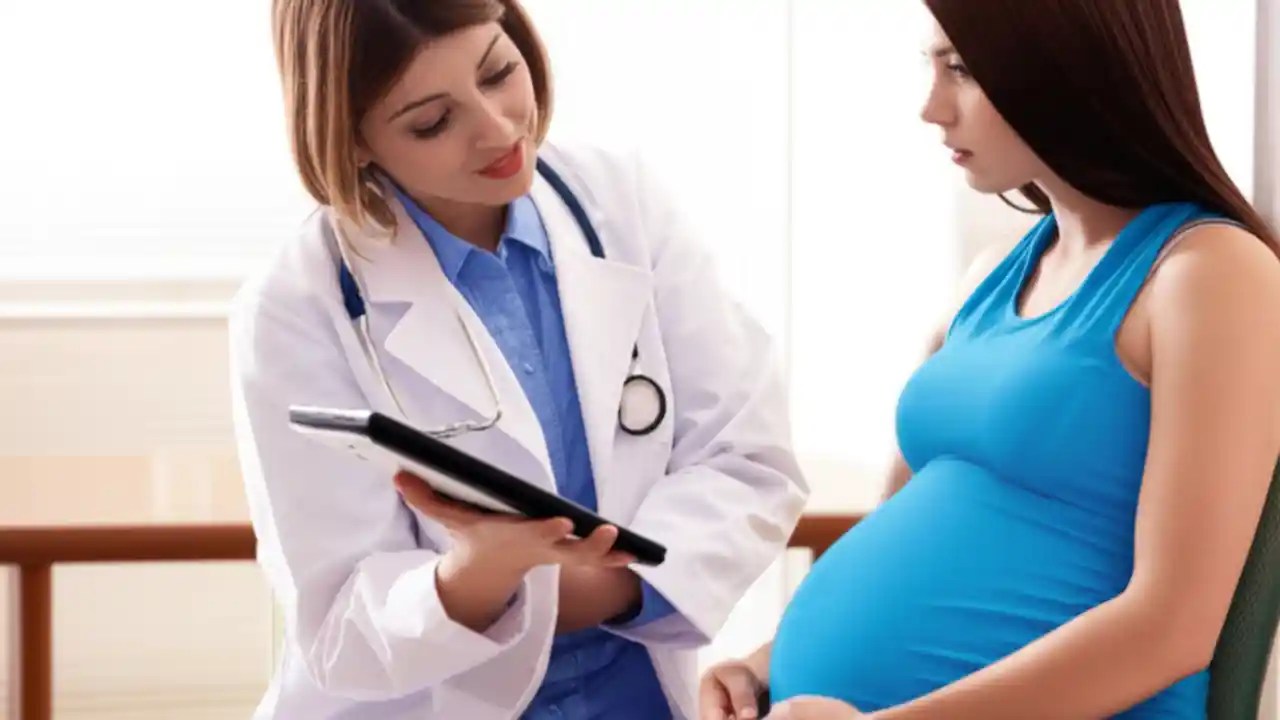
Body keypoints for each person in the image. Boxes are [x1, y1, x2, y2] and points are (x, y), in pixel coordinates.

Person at [700, 1, 1280, 718]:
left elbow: (1174, 627)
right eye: (932, 65)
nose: (931, 108)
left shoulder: (1210, 273)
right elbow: (899, 526)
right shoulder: (987, 278)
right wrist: (766, 663)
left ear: (1073, 63)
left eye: (963, 70)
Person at [231, 1, 809, 718]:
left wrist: (579, 591)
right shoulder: (300, 303)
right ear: (350, 140)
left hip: (635, 693)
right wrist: (478, 575)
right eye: (432, 122)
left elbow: (747, 459)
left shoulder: (621, 206)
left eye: (499, 72)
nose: (499, 128)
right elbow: (341, 628)